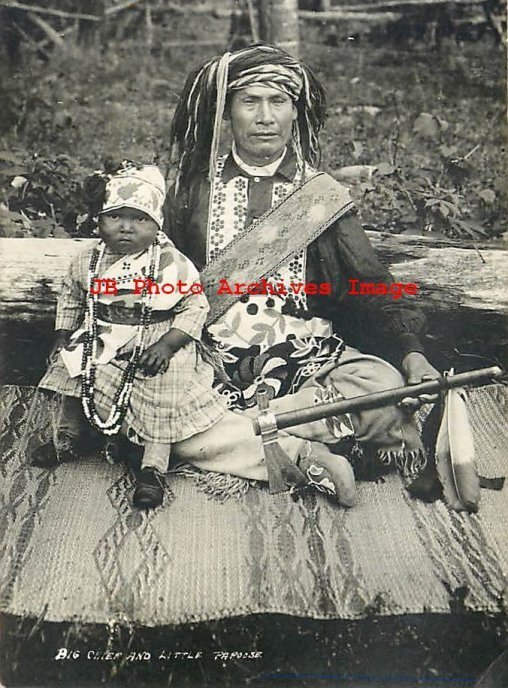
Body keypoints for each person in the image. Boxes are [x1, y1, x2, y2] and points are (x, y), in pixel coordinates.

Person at [163, 43, 440, 505]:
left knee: (383, 388)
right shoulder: (190, 188)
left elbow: (370, 283)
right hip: (208, 356)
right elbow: (158, 274)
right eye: (250, 102)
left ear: (295, 113)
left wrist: (411, 352)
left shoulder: (320, 196)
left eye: (278, 102)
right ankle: (304, 452)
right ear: (228, 113)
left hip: (304, 355)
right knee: (142, 400)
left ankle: (232, 441)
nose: (264, 117)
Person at [30, 163, 227, 510]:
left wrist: (167, 345)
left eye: (139, 219)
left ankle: (152, 467)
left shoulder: (170, 263)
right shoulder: (89, 260)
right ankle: (71, 435)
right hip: (103, 332)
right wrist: (63, 334)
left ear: (156, 224)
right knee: (75, 365)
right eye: (116, 217)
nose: (126, 227)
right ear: (100, 220)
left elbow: (195, 307)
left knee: (161, 392)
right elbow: (73, 295)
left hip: (155, 340)